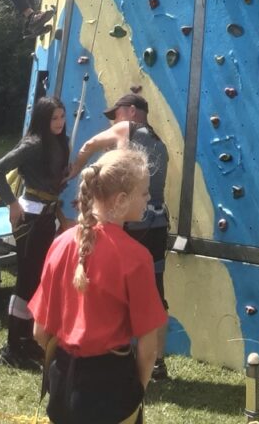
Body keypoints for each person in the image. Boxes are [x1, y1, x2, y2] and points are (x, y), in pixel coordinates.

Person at [29, 148, 168, 424]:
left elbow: (39, 332)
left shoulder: (60, 243)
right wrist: (137, 390)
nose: (149, 198)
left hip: (63, 384)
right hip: (112, 387)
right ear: (121, 200)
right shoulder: (136, 257)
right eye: (144, 192)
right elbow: (149, 347)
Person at [67, 93, 171, 381]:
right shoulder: (159, 143)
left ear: (133, 112)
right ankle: (158, 362)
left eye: (118, 113)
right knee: (155, 290)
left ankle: (115, 347)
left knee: (115, 285)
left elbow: (89, 144)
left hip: (131, 220)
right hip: (158, 221)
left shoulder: (129, 129)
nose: (115, 120)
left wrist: (74, 169)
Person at [0, 97, 70, 370]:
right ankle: (13, 347)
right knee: (26, 282)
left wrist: (61, 217)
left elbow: (51, 189)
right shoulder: (33, 144)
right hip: (30, 218)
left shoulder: (59, 142)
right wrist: (11, 203)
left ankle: (29, 340)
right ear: (43, 119)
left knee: (38, 281)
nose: (59, 123)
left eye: (62, 117)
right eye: (54, 118)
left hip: (47, 217)